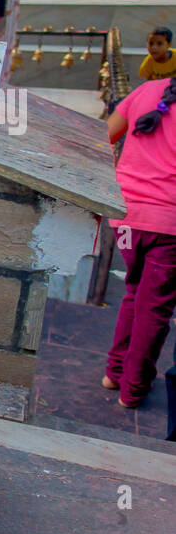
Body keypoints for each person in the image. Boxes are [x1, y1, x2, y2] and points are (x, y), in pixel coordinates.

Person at [102, 75, 176, 408]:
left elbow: (105, 135)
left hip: (127, 216)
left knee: (134, 292)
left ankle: (113, 374)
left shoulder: (147, 90)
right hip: (169, 225)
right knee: (155, 308)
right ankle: (133, 390)